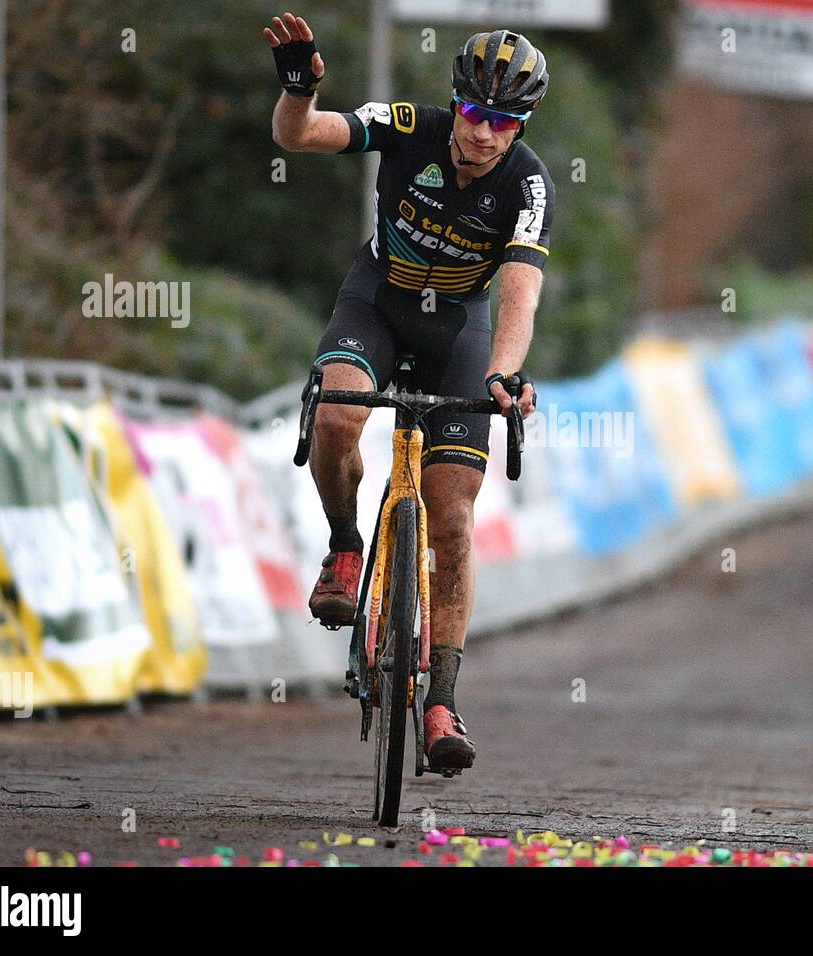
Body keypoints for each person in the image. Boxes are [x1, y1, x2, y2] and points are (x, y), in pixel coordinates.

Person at [264, 11, 553, 770]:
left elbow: (520, 292)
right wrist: (299, 91)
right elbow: (301, 136)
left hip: (457, 331)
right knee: (336, 415)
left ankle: (441, 702)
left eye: (505, 121)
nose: (486, 133)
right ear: (454, 102)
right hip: (379, 301)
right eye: (476, 113)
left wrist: (506, 372)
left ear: (520, 125)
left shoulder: (527, 185)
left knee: (452, 515)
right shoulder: (404, 126)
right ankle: (345, 547)